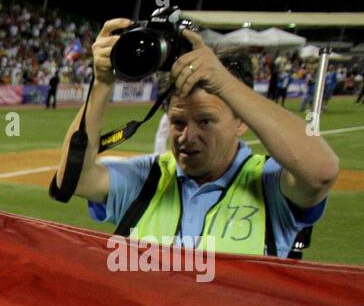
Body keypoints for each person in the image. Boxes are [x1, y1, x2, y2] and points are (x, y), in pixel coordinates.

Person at [52, 18, 338, 258]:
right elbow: (73, 179)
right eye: (178, 122)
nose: (187, 137)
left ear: (241, 123)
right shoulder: (148, 178)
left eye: (205, 121)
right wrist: (102, 82)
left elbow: (321, 172)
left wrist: (222, 81)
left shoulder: (268, 183)